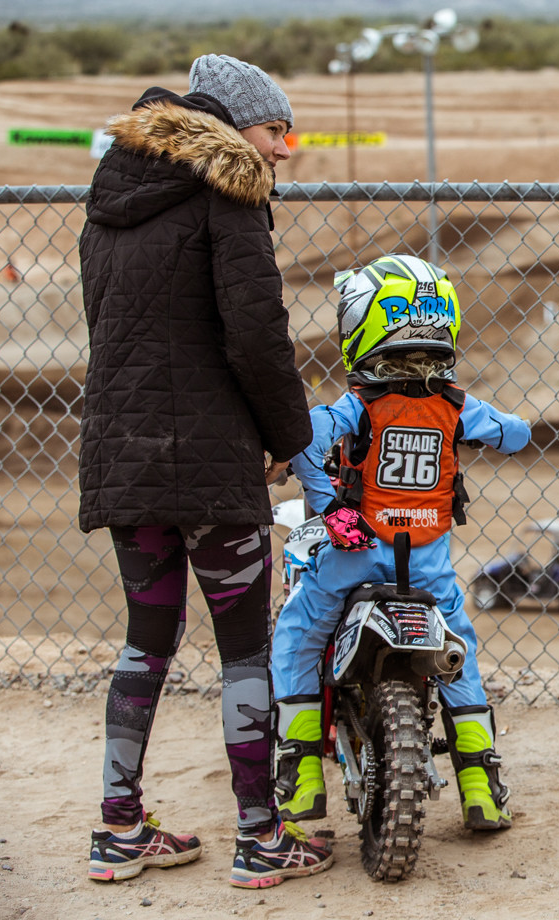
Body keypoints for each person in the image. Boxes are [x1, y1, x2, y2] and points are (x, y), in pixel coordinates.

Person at [79, 54, 333, 889]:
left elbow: (111, 332)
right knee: (245, 651)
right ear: (232, 127)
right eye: (273, 131)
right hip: (212, 462)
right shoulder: (230, 194)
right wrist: (294, 437)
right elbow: (254, 335)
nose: (284, 150)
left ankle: (118, 827)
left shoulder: (110, 197)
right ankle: (260, 838)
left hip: (123, 456)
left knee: (144, 643)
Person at [270, 253, 531, 832]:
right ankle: (481, 785)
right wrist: (486, 432)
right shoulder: (457, 406)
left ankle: (300, 775)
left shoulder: (359, 406)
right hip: (429, 566)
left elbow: (308, 438)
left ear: (362, 326)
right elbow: (518, 433)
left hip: (352, 556)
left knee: (297, 635)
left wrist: (333, 504)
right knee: (457, 652)